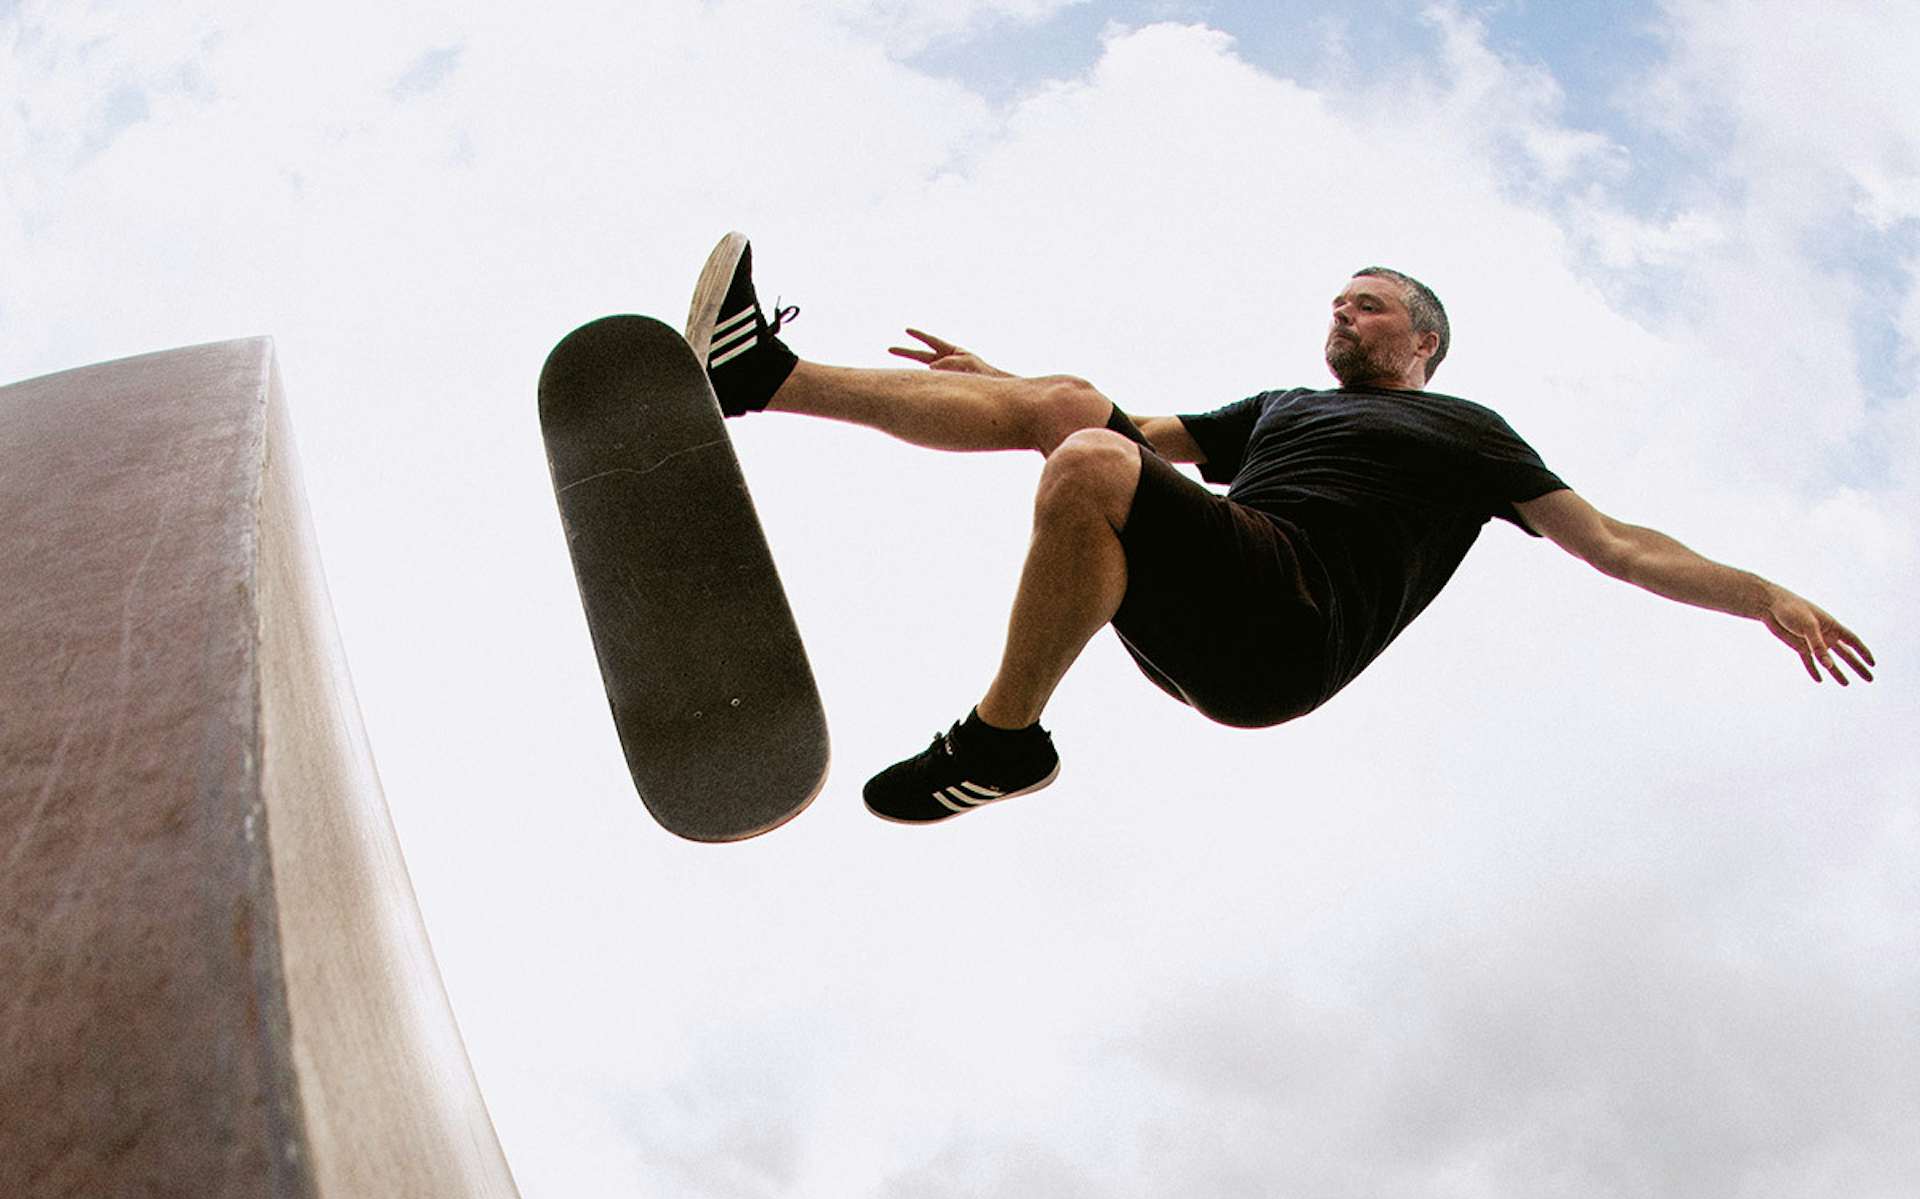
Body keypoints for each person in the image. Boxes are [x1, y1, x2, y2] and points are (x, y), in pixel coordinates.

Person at [686, 236, 1873, 825]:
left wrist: (1760, 590)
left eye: (1371, 306)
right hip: (1214, 586)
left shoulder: (1469, 433)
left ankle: (1001, 742)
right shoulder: (1276, 410)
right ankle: (759, 377)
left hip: (1292, 630)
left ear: (1423, 343)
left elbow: (1617, 544)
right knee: (1071, 416)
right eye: (1338, 301)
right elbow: (1088, 428)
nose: (1343, 314)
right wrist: (1003, 387)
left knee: (1092, 453)